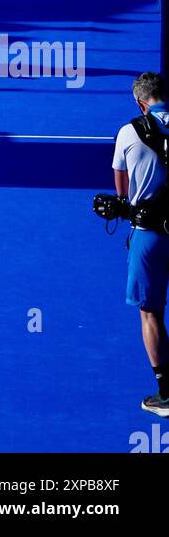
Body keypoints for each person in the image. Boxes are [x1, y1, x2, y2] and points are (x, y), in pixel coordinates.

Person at [112, 71, 169, 417]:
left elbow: (121, 187)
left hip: (149, 234)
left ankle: (167, 393)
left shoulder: (129, 132)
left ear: (139, 101)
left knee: (150, 312)